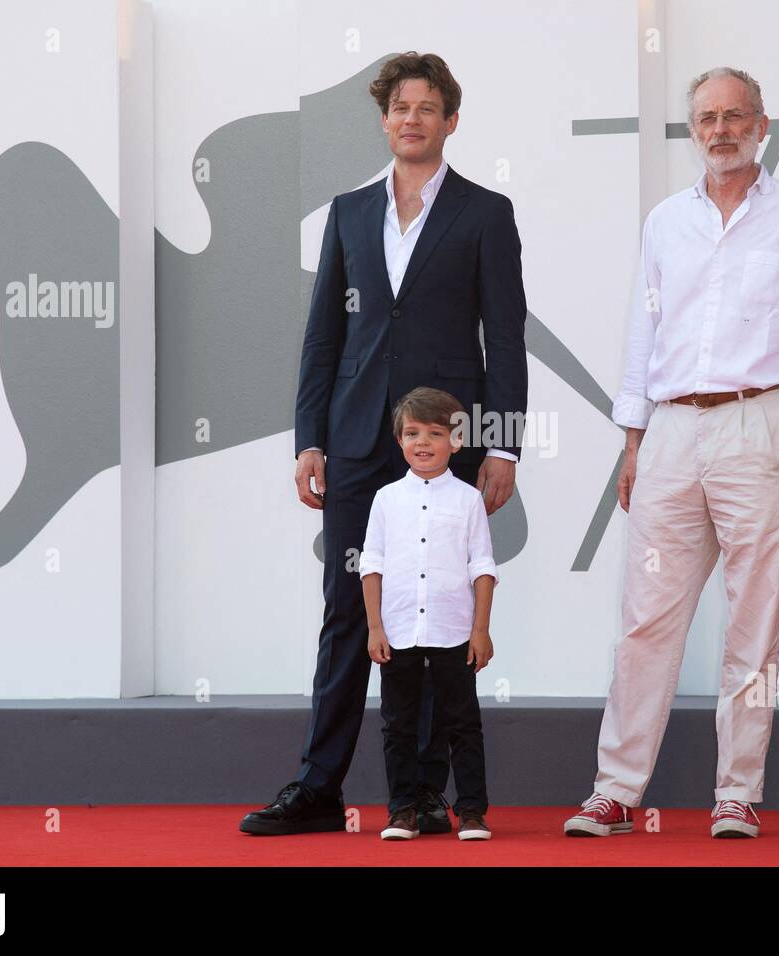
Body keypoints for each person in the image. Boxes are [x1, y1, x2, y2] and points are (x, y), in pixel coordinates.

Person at [240, 52, 526, 836]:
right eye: (400, 106)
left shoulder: (485, 213)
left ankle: (424, 795)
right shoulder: (348, 212)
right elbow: (321, 337)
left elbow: (504, 338)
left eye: (428, 107)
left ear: (450, 121)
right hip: (359, 443)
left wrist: (502, 448)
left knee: (436, 616)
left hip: (451, 444)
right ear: (383, 118)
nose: (412, 118)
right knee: (346, 608)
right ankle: (318, 788)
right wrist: (309, 440)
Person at [563, 67, 779, 839]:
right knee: (644, 618)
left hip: (761, 424)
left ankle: (737, 792)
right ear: (692, 130)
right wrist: (633, 439)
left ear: (763, 124)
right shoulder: (665, 222)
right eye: (705, 119)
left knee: (753, 619)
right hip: (669, 430)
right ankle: (616, 789)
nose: (719, 130)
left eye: (733, 116)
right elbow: (641, 334)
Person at [360, 387, 497, 841]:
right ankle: (403, 810)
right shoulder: (385, 499)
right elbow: (372, 564)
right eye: (413, 432)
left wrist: (481, 630)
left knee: (463, 722)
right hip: (398, 630)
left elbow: (482, 568)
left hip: (453, 630)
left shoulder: (467, 500)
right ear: (398, 439)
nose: (423, 442)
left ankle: (473, 811)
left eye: (435, 433)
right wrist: (375, 627)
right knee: (397, 724)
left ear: (456, 441)